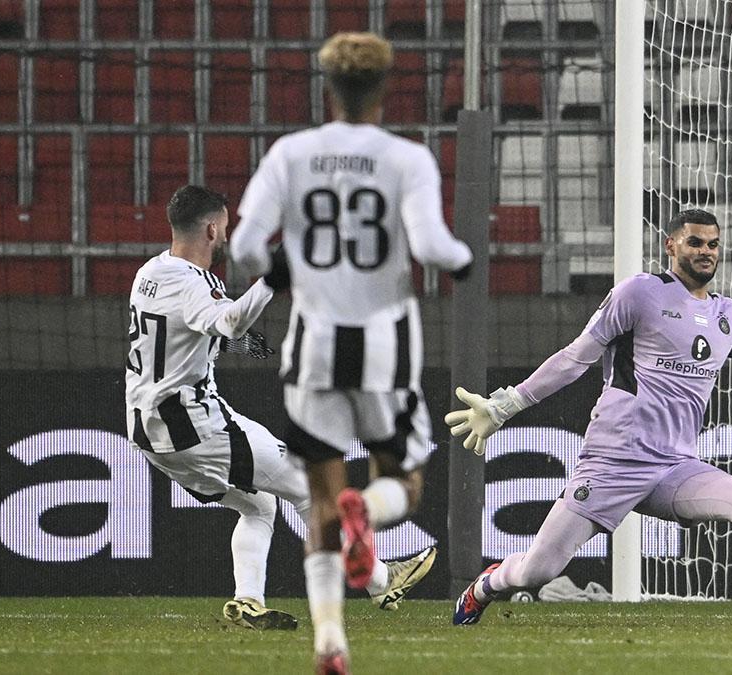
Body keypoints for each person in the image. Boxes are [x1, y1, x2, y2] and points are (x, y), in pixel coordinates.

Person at [445, 208, 732, 625]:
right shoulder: (639, 293)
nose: (706, 251)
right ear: (670, 245)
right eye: (694, 242)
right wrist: (506, 405)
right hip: (613, 461)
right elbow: (576, 358)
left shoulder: (730, 317)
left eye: (713, 244)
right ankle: (484, 587)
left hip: (673, 467)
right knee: (538, 571)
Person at [229, 32, 472, 673]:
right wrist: (466, 259)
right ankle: (372, 510)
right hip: (384, 350)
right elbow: (433, 247)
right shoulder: (406, 158)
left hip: (312, 349)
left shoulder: (291, 154)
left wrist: (290, 263)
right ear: (386, 89)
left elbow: (247, 249)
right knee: (405, 484)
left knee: (319, 502)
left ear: (328, 88)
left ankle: (330, 641)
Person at [125, 185, 436, 636]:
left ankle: (248, 600)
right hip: (194, 425)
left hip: (148, 431)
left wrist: (252, 345)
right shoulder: (192, 283)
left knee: (258, 505)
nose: (227, 235)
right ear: (212, 229)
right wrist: (273, 278)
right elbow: (226, 320)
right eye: (226, 227)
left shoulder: (150, 273)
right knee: (313, 489)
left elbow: (194, 329)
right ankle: (381, 582)